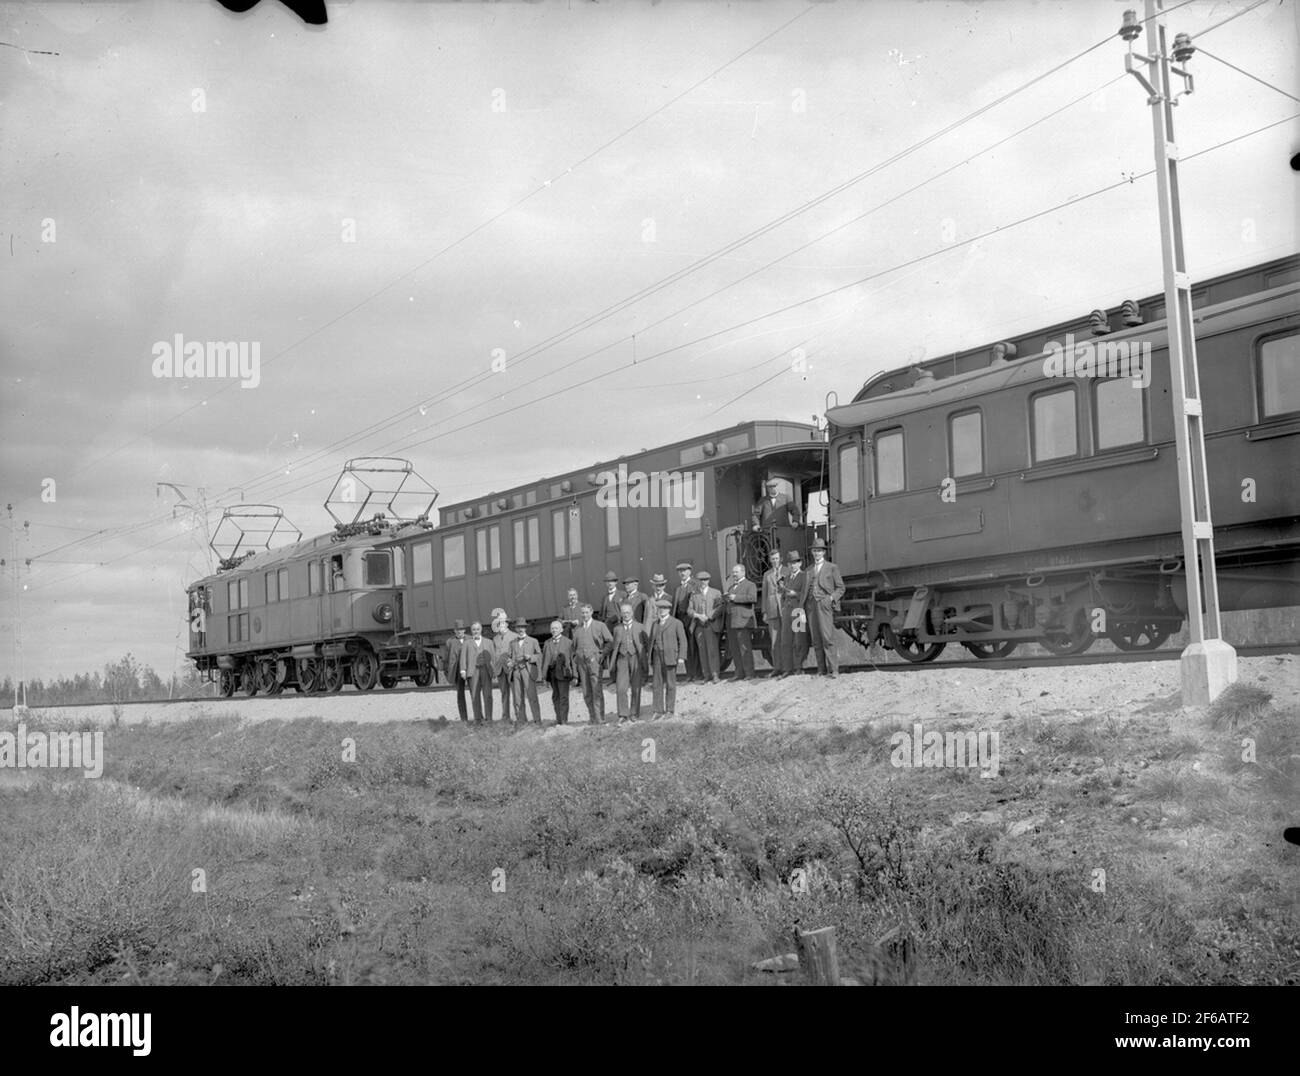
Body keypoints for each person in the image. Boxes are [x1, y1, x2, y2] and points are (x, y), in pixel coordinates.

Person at [805, 539, 846, 678]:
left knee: (827, 637)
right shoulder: (808, 570)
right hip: (811, 606)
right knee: (816, 639)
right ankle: (821, 670)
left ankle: (834, 670)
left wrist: (830, 599)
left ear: (824, 552)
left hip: (824, 604)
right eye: (815, 551)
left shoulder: (832, 567)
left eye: (819, 551)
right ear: (812, 552)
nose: (817, 553)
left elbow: (841, 588)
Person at [572, 603, 613, 724]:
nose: (584, 615)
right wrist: (576, 657)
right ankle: (592, 717)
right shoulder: (578, 629)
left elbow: (610, 642)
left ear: (591, 612)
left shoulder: (600, 625)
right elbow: (573, 647)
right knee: (586, 692)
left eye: (586, 612)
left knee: (596, 690)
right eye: (582, 613)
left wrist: (601, 655)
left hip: (594, 662)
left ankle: (600, 718)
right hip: (582, 664)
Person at [648, 597, 687, 718]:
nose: (662, 611)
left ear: (669, 609)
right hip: (657, 656)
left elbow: (683, 641)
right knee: (657, 684)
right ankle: (658, 711)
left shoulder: (676, 623)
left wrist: (681, 657)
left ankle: (670, 710)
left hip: (670, 656)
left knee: (671, 684)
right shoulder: (655, 624)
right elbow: (651, 641)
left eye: (664, 608)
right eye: (660, 608)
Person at [609, 602, 649, 722]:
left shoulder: (640, 627)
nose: (626, 615)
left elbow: (646, 644)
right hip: (622, 658)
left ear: (632, 613)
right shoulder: (617, 629)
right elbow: (614, 646)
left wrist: (644, 658)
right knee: (621, 688)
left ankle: (634, 713)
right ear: (621, 614)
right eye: (623, 613)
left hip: (635, 657)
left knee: (636, 686)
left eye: (628, 612)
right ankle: (623, 714)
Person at [688, 570, 724, 684]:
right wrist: (698, 615)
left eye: (705, 580)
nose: (703, 582)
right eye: (701, 580)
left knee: (712, 650)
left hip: (710, 625)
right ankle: (706, 675)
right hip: (699, 626)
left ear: (708, 580)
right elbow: (689, 610)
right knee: (702, 651)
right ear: (697, 581)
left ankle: (715, 675)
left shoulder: (716, 592)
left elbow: (720, 607)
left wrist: (708, 616)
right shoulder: (694, 595)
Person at [723, 564, 758, 680]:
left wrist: (735, 597)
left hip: (743, 621)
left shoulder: (750, 585)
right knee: (735, 649)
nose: (734, 574)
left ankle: (749, 673)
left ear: (743, 572)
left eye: (736, 572)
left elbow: (753, 598)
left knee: (744, 648)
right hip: (732, 621)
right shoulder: (731, 587)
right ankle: (739, 673)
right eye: (733, 572)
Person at [507, 617, 543, 724]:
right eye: (518, 627)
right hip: (516, 671)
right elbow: (509, 657)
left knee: (532, 696)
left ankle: (537, 720)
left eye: (522, 627)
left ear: (525, 628)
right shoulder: (512, 643)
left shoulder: (533, 641)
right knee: (518, 698)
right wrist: (509, 662)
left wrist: (531, 657)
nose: (520, 629)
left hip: (528, 671)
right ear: (516, 629)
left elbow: (539, 655)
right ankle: (522, 721)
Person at [458, 620, 496, 722]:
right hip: (473, 671)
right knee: (475, 695)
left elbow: (493, 657)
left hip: (486, 670)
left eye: (478, 629)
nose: (476, 631)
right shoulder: (466, 643)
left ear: (481, 630)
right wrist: (463, 670)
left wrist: (494, 670)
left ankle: (489, 718)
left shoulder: (489, 642)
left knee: (488, 695)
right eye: (474, 629)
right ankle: (478, 719)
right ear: (471, 631)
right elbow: (463, 658)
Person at [780, 550, 810, 678]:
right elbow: (782, 595)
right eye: (791, 563)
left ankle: (799, 666)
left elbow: (806, 594)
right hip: (787, 611)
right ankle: (787, 668)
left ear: (800, 563)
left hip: (799, 610)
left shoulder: (804, 576)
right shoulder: (786, 578)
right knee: (786, 640)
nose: (793, 566)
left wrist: (795, 594)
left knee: (799, 639)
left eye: (795, 563)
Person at [540, 620, 574, 726]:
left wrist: (575, 675)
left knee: (563, 696)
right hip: (552, 673)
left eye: (556, 628)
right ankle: (558, 719)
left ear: (561, 629)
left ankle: (564, 720)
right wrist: (544, 677)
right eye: (552, 628)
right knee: (555, 696)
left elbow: (573, 660)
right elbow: (544, 660)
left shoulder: (568, 642)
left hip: (563, 673)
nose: (554, 630)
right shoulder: (547, 643)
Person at [760, 550, 786, 678]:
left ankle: (790, 667)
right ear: (770, 560)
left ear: (781, 559)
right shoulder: (767, 575)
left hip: (786, 609)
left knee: (789, 638)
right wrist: (764, 611)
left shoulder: (787, 571)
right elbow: (764, 594)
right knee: (775, 640)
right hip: (772, 610)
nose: (775, 561)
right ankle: (777, 667)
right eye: (773, 559)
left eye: (777, 558)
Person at [672, 562, 699, 681]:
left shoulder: (695, 585)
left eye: (685, 570)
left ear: (690, 572)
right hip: (680, 620)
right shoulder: (678, 588)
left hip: (691, 619)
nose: (682, 573)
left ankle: (698, 673)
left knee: (694, 647)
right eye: (680, 571)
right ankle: (689, 674)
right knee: (685, 647)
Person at [491, 611, 517, 721]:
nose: (500, 625)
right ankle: (505, 716)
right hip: (500, 669)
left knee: (516, 694)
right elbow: (494, 654)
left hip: (510, 669)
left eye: (502, 623)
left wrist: (513, 663)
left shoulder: (514, 636)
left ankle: (518, 715)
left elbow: (517, 652)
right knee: (504, 694)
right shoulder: (495, 638)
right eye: (498, 623)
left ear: (507, 624)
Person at [445, 619, 469, 721]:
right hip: (457, 671)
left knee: (474, 693)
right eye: (457, 630)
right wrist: (447, 672)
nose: (460, 632)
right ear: (454, 631)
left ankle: (478, 717)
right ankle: (464, 718)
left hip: (469, 669)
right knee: (460, 695)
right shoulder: (450, 642)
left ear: (464, 630)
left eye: (461, 629)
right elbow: (446, 658)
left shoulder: (470, 639)